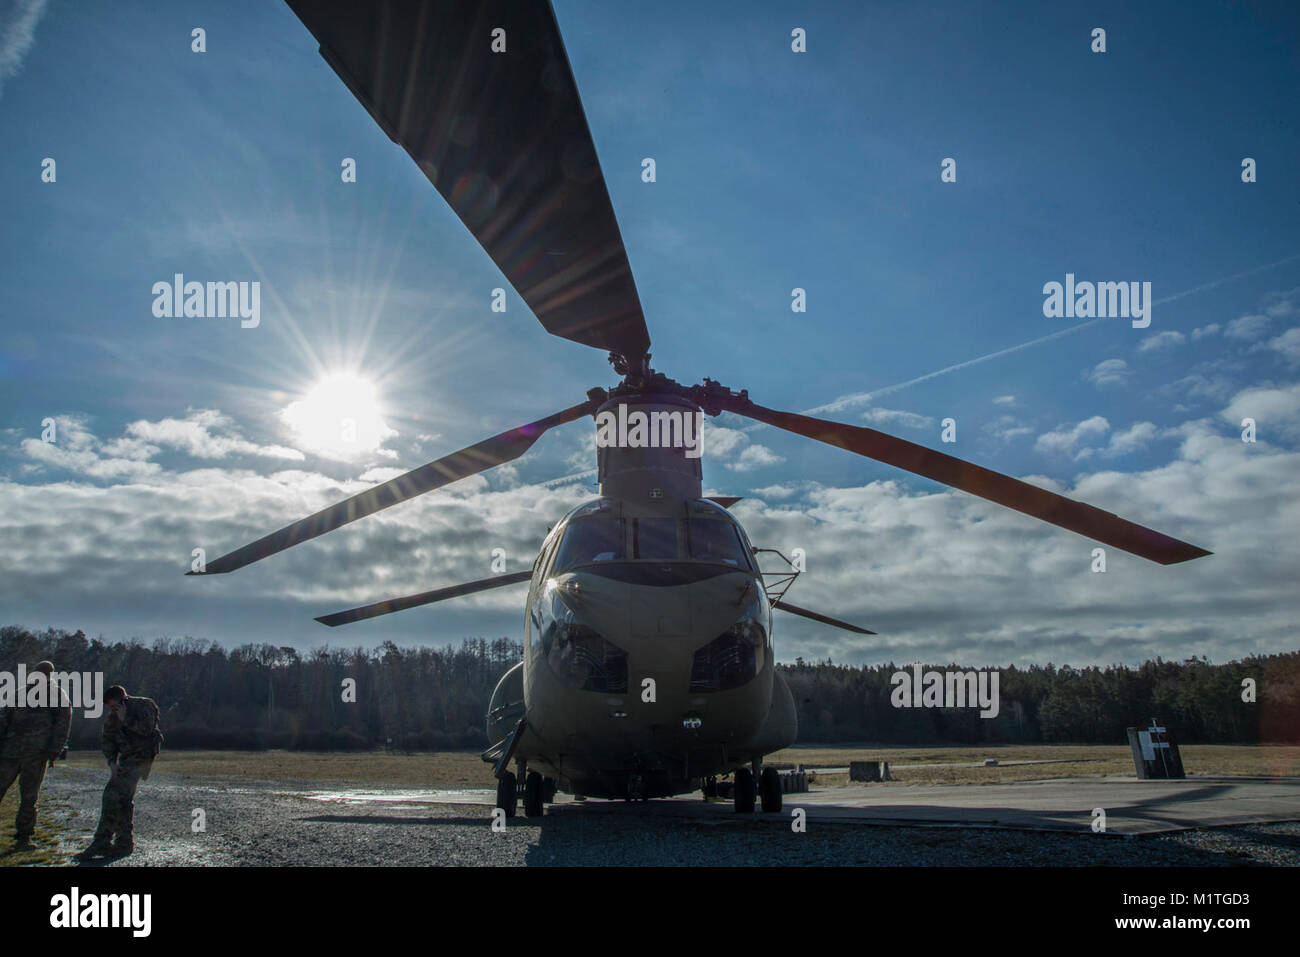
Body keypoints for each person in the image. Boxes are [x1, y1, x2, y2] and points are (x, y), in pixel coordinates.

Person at [78, 685, 163, 859]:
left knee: (112, 794)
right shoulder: (113, 716)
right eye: (110, 707)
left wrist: (125, 719)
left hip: (142, 757)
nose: (113, 709)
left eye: (114, 706)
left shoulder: (144, 705)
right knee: (123, 799)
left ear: (123, 699)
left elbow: (147, 730)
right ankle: (124, 843)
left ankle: (102, 841)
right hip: (125, 759)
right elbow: (108, 739)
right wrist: (111, 763)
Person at [0, 661, 72, 852]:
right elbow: (63, 724)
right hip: (35, 752)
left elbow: (3, 719)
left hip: (10, 750)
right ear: (51, 675)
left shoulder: (19, 692)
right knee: (29, 796)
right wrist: (54, 750)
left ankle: (23, 838)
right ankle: (23, 839)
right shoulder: (57, 694)